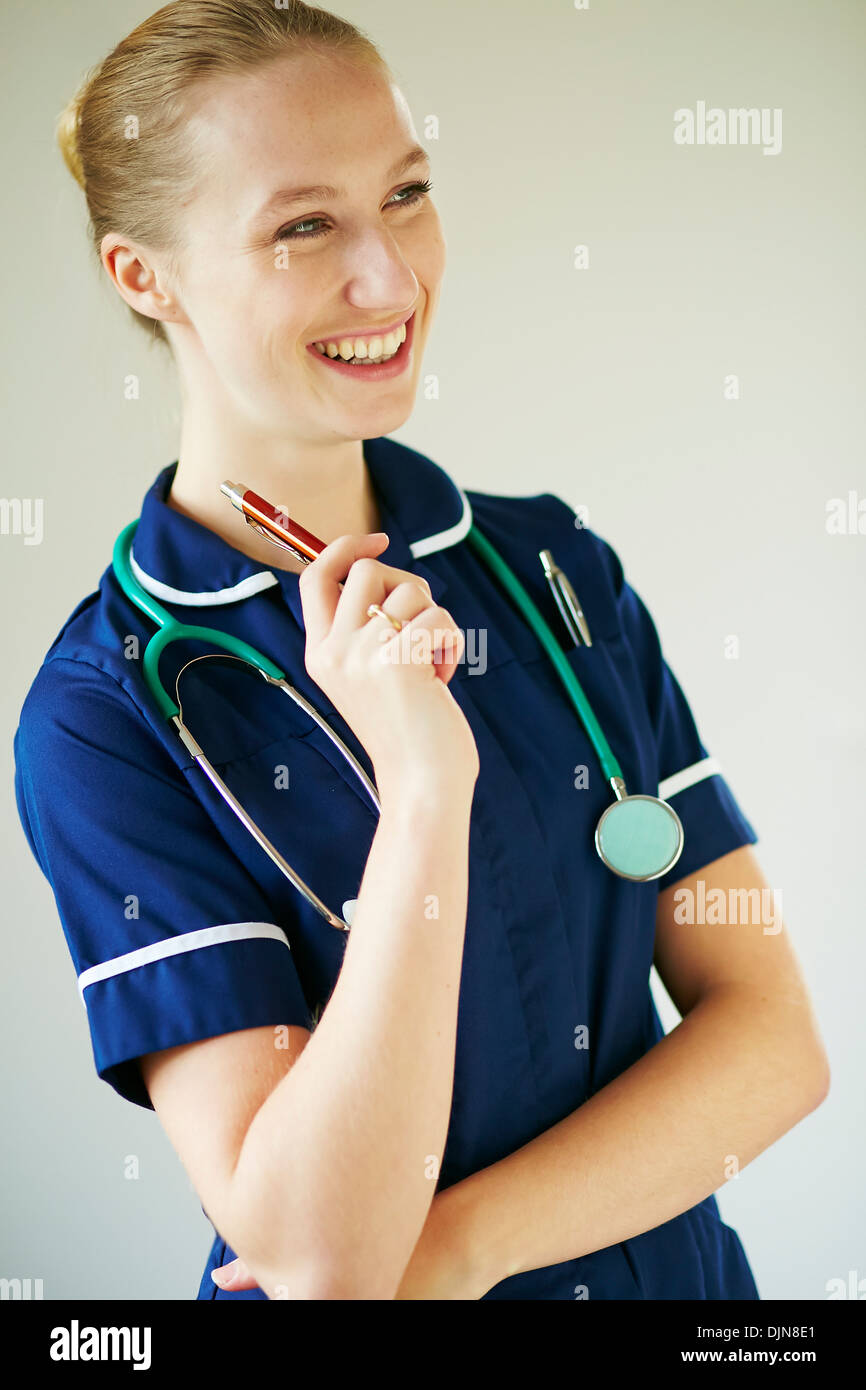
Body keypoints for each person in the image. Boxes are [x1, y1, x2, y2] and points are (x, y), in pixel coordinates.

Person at [14, 0, 829, 1301]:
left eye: (405, 194)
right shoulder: (107, 710)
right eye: (303, 225)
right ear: (142, 276)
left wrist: (450, 1250)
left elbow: (775, 1047)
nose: (389, 278)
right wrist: (425, 790)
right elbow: (320, 1258)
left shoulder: (557, 572)